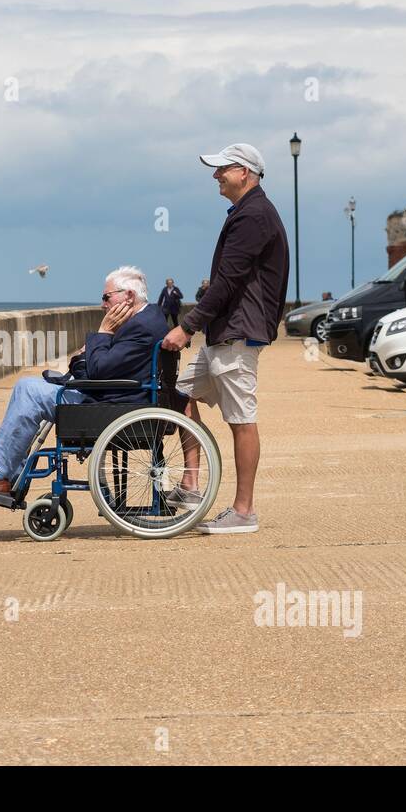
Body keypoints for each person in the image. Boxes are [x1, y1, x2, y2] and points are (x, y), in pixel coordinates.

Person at [0, 266, 167, 497]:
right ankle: (6, 474)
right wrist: (89, 356)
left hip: (109, 404)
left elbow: (97, 369)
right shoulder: (148, 319)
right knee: (28, 386)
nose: (103, 304)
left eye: (106, 297)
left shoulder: (140, 327)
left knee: (28, 391)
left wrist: (101, 335)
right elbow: (101, 366)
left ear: (128, 296)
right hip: (114, 396)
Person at [161, 143, 289, 535]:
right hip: (226, 333)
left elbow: (229, 281)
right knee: (179, 395)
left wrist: (188, 326)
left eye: (222, 169)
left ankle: (244, 511)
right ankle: (191, 484)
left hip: (238, 333)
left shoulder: (254, 216)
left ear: (245, 173)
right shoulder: (246, 213)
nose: (215, 175)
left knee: (241, 420)